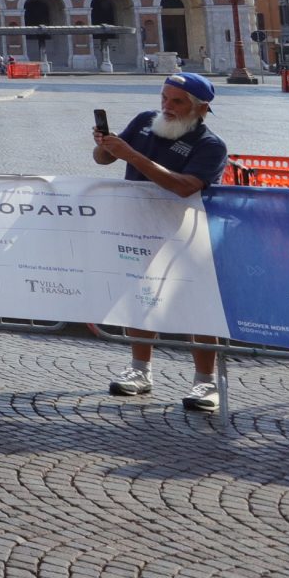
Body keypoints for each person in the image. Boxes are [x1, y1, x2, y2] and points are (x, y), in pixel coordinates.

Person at [100, 72, 232, 411]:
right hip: (137, 226)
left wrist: (130, 155)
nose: (166, 106)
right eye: (164, 98)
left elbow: (184, 185)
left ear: (200, 109)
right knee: (138, 298)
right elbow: (103, 159)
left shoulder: (211, 145)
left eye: (177, 102)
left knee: (196, 308)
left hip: (186, 235)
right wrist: (106, 146)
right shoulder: (146, 121)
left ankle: (206, 384)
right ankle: (140, 371)